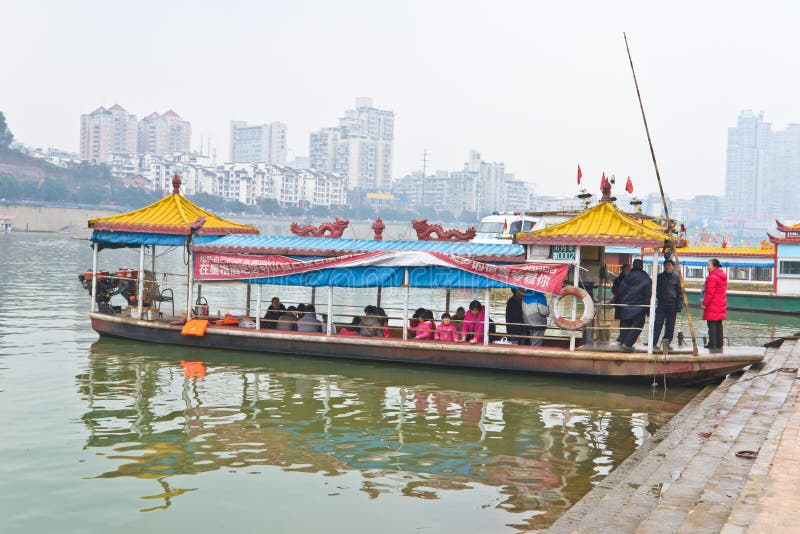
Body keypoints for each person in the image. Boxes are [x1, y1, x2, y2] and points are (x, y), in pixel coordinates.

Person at [617, 259, 652, 350]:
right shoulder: (646, 278)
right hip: (639, 307)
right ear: (642, 266)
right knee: (638, 325)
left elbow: (621, 291)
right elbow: (648, 295)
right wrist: (648, 310)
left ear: (633, 266)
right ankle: (627, 344)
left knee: (625, 325)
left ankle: (623, 342)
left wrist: (623, 302)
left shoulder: (627, 277)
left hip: (625, 306)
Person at [652, 260, 683, 348]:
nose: (667, 267)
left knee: (670, 325)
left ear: (673, 267)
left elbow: (680, 292)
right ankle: (653, 342)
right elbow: (654, 290)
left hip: (672, 305)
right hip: (661, 304)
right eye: (666, 265)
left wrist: (679, 305)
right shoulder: (659, 277)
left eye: (669, 265)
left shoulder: (676, 278)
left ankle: (667, 342)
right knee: (658, 323)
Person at [702, 258, 727, 349]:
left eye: (709, 265)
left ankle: (712, 344)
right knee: (718, 324)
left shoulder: (712, 277)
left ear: (714, 266)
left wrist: (704, 304)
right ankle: (719, 344)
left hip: (713, 304)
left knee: (712, 325)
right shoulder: (721, 275)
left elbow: (709, 293)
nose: (707, 267)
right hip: (720, 303)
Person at [611, 264, 631, 341]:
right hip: (621, 303)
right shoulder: (618, 280)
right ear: (623, 270)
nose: (629, 271)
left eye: (630, 270)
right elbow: (614, 290)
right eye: (627, 270)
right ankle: (622, 336)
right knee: (623, 320)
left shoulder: (631, 279)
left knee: (628, 320)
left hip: (628, 303)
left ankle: (624, 337)